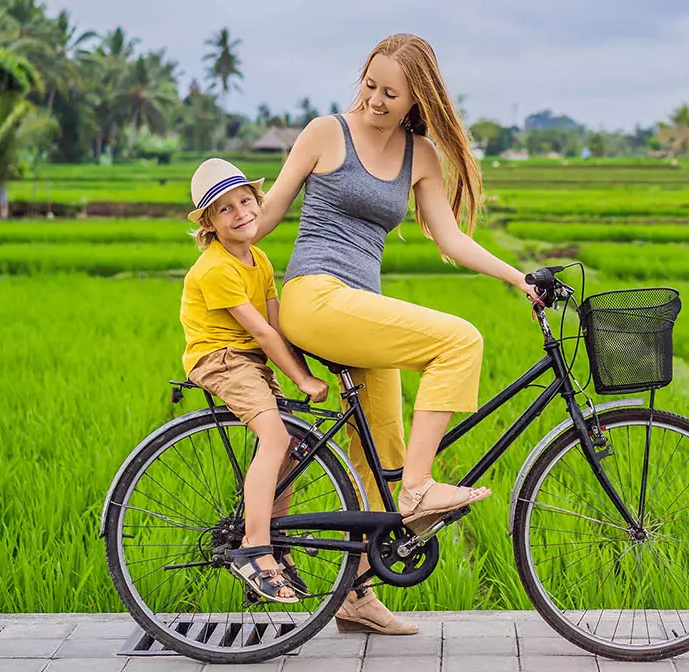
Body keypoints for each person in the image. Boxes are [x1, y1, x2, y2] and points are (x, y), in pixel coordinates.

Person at [251, 33, 540, 634]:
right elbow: (272, 209)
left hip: (360, 310)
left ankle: (356, 597)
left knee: (378, 461)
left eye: (391, 93)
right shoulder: (325, 133)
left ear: (417, 98)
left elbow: (451, 239)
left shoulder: (421, 156)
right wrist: (220, 240)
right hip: (315, 297)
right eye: (370, 85)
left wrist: (519, 278)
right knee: (460, 340)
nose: (375, 100)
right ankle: (419, 490)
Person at [180, 158, 330, 603]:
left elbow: (277, 321)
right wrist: (302, 377)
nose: (240, 212)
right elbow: (262, 332)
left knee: (290, 446)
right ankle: (255, 549)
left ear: (258, 202)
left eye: (245, 200)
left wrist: (320, 353)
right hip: (221, 357)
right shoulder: (216, 268)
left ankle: (277, 546)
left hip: (250, 359)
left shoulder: (258, 258)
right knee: (274, 437)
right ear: (208, 224)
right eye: (224, 209)